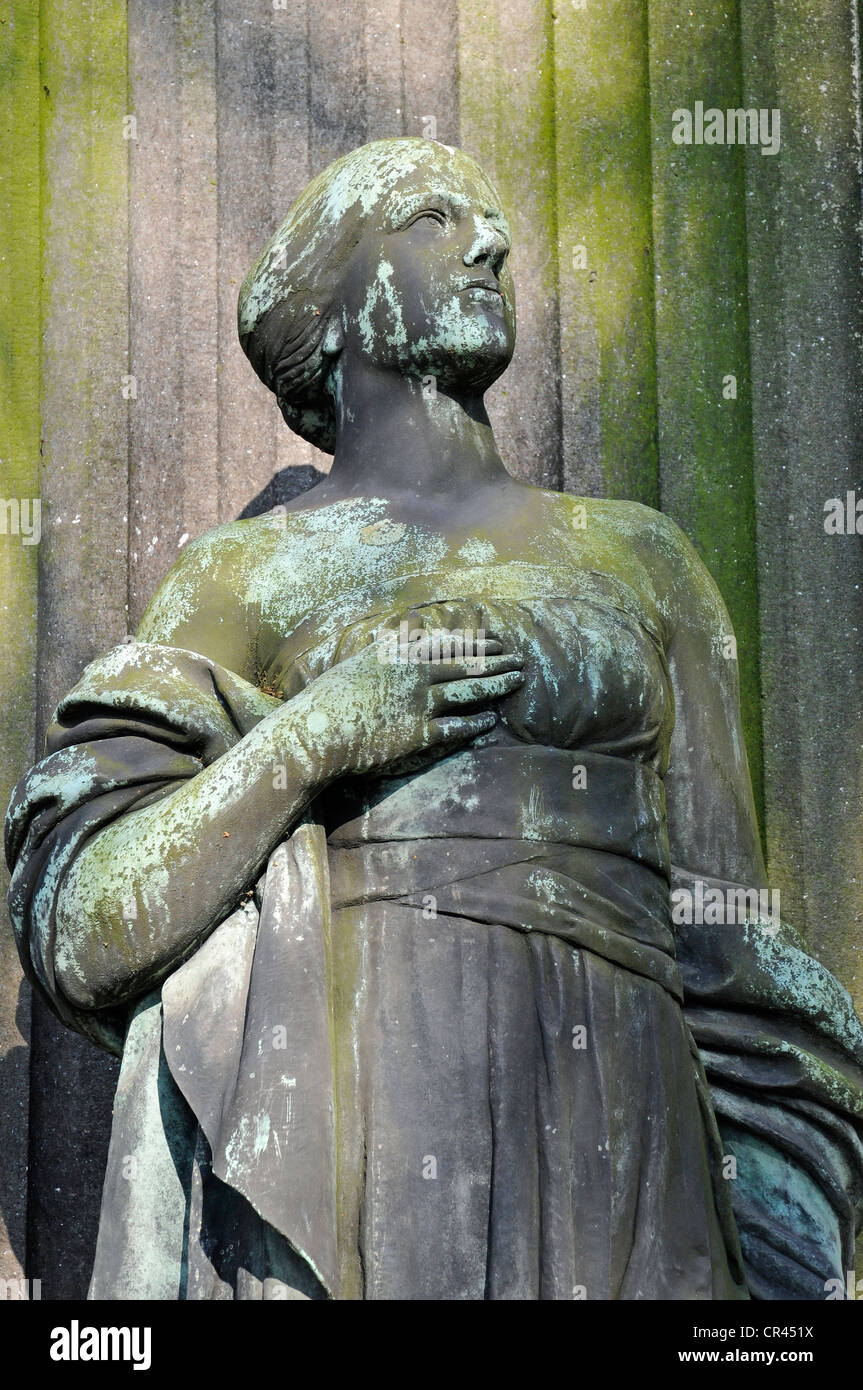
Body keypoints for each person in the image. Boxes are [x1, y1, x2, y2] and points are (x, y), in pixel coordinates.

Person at [7, 138, 863, 1300]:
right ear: (333, 305)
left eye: (493, 220)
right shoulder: (241, 575)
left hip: (628, 1126)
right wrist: (319, 736)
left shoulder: (639, 557)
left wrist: (778, 1245)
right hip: (368, 1114)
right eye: (431, 216)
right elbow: (88, 923)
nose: (490, 243)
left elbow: (725, 942)